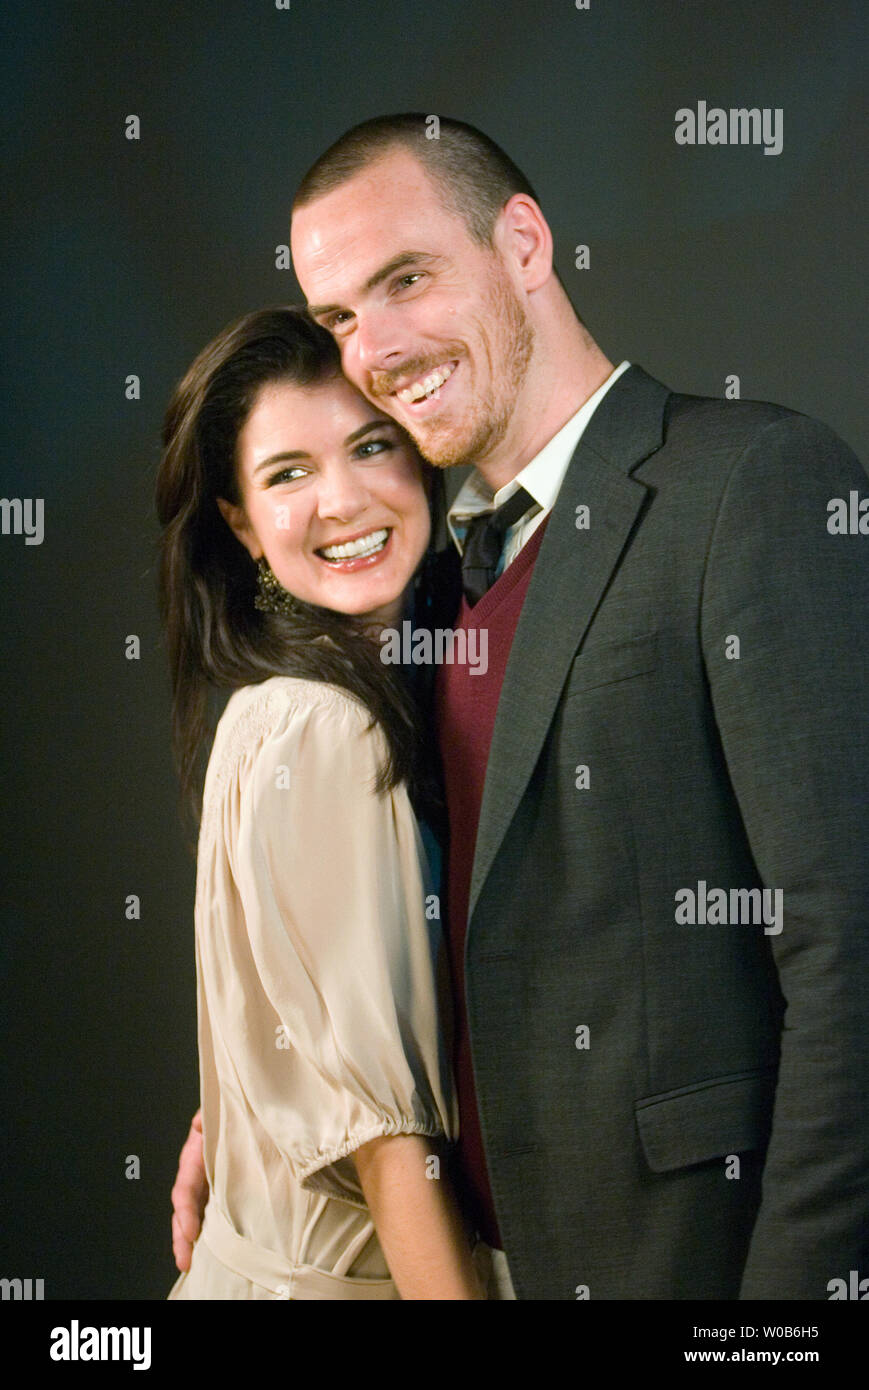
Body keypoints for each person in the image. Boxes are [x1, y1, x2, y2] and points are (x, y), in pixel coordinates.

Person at [172, 116, 869, 1300]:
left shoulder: (747, 484)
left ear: (526, 244)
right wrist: (254, 1115)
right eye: (339, 315)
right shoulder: (428, 577)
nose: (375, 348)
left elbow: (846, 956)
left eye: (404, 279)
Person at [156, 305, 489, 1300]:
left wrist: (233, 1112)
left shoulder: (310, 706)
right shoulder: (321, 729)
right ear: (240, 522)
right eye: (287, 472)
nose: (342, 499)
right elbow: (392, 1149)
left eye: (370, 445)